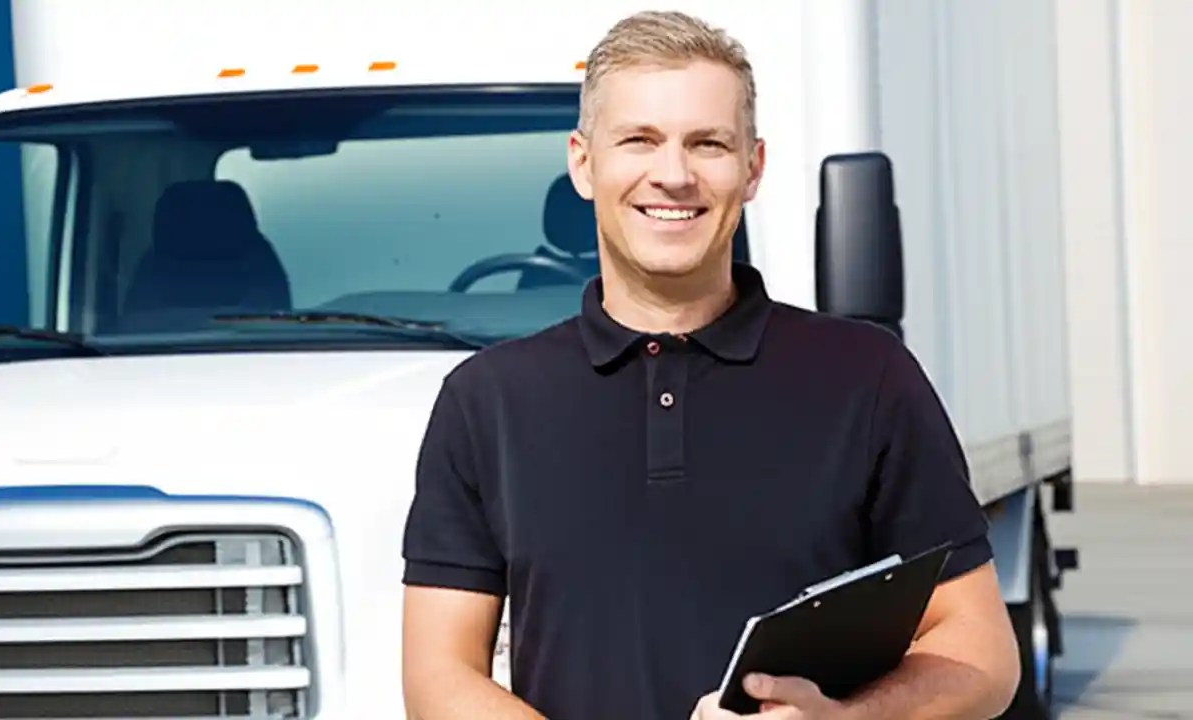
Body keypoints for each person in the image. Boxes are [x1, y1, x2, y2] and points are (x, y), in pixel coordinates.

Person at [401, 10, 1021, 720]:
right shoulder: (487, 401)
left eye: (708, 144)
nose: (674, 175)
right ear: (583, 161)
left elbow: (979, 650)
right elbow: (438, 676)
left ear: (752, 168)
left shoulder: (867, 377)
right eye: (639, 140)